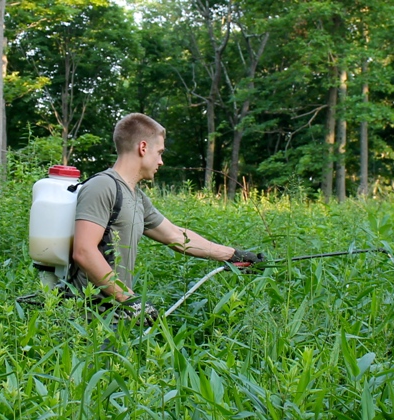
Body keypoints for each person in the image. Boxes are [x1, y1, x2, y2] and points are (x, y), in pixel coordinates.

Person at [70, 113, 263, 323]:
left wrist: (233, 255)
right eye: (160, 152)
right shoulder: (102, 186)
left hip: (115, 318)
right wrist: (129, 300)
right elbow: (84, 251)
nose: (161, 161)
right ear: (143, 148)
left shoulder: (136, 197)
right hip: (87, 319)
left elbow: (176, 236)